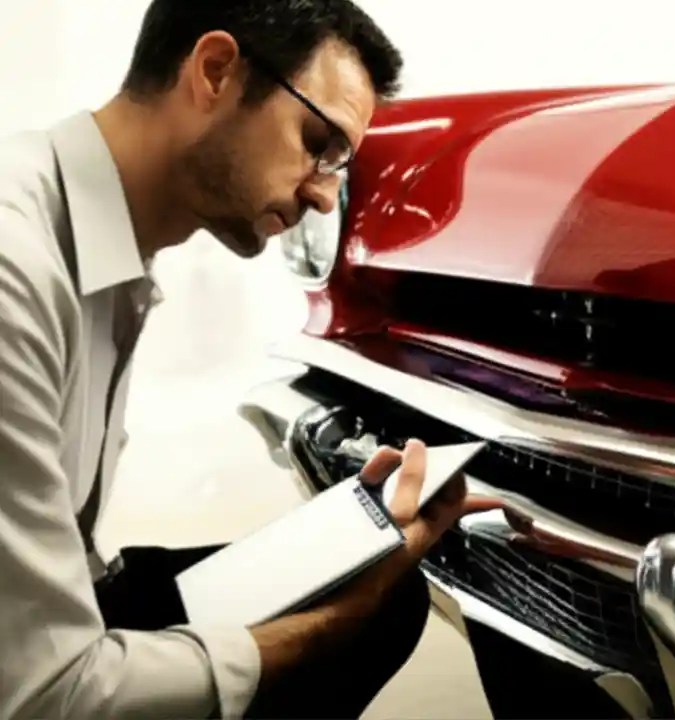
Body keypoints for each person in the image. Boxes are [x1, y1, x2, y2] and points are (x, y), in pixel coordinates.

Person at [0, 1, 496, 717]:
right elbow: (43, 693)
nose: (326, 195)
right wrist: (330, 625)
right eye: (317, 142)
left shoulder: (103, 248)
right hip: (39, 681)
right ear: (215, 71)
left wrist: (338, 545)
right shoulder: (16, 263)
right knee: (363, 616)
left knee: (381, 584)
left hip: (69, 613)